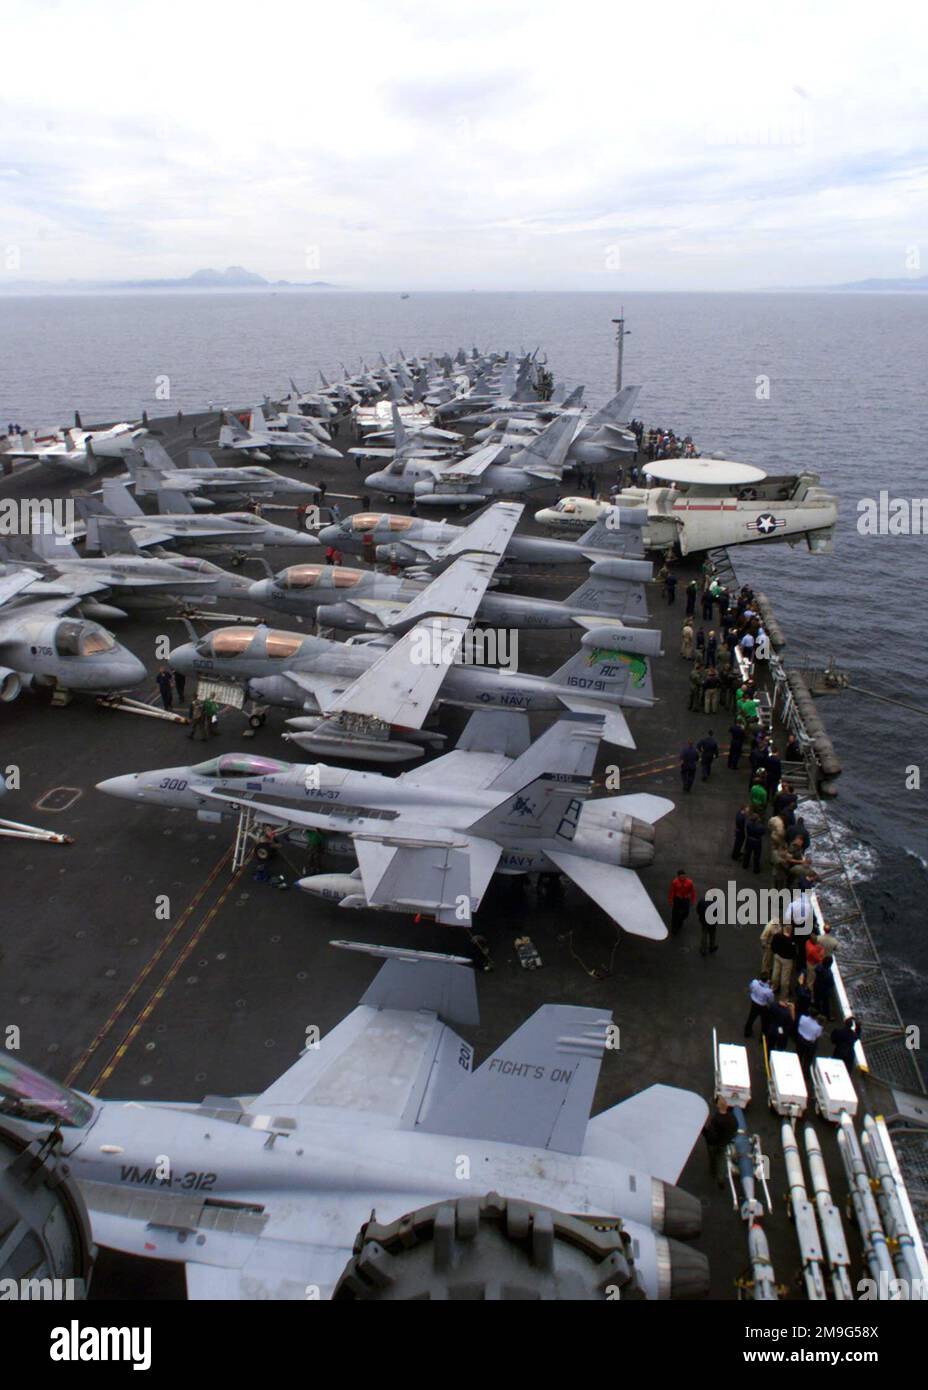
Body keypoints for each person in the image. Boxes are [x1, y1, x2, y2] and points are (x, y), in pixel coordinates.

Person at [702, 1098, 737, 1186]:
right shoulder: (732, 1118)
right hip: (724, 1143)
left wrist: (704, 1132)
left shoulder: (716, 1119)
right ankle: (720, 1177)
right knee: (721, 1159)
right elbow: (735, 1129)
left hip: (713, 1144)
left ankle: (713, 1172)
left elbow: (711, 1134)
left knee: (713, 1158)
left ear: (718, 1106)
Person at [744, 973, 775, 1037]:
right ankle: (763, 1037)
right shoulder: (768, 991)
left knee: (751, 1017)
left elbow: (750, 987)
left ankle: (747, 1032)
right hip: (763, 1006)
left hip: (754, 1003)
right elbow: (771, 1000)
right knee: (764, 1022)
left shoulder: (755, 982)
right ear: (767, 980)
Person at [770, 923, 795, 999]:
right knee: (785, 978)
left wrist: (775, 952)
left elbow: (773, 945)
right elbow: (793, 953)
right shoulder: (791, 942)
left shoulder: (777, 936)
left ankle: (774, 987)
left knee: (775, 972)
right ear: (790, 931)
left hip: (777, 956)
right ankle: (783, 995)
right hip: (787, 960)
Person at [668, 869, 696, 935]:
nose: (682, 878)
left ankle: (680, 921)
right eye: (681, 876)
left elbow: (693, 892)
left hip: (685, 899)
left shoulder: (689, 882)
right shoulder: (675, 882)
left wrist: (692, 900)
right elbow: (672, 892)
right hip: (677, 899)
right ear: (678, 876)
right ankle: (674, 928)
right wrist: (671, 901)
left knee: (686, 913)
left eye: (683, 876)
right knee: (675, 914)